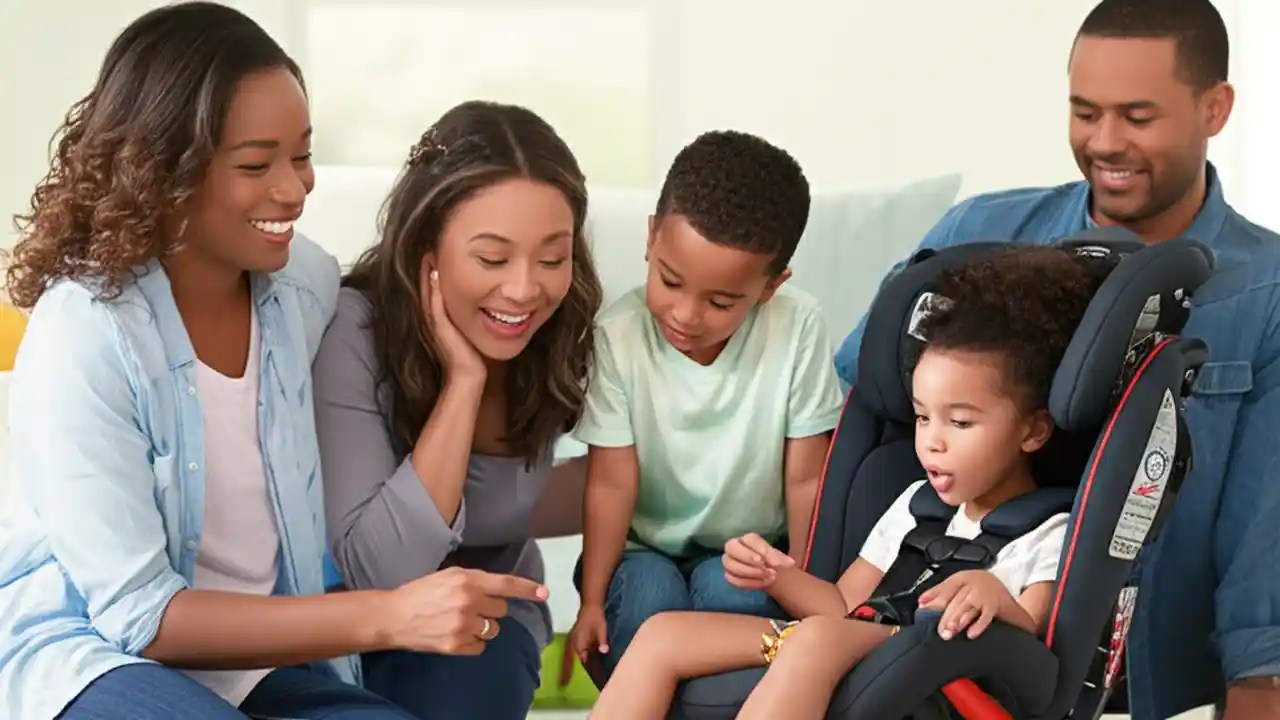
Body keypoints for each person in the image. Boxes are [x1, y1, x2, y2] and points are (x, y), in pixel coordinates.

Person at [0, 6, 546, 720]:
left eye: (303, 154)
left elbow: (401, 305)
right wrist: (386, 615)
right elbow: (142, 618)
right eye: (257, 164)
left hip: (254, 670)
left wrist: (488, 307)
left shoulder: (302, 290)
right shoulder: (87, 330)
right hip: (92, 658)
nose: (294, 189)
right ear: (162, 170)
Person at [833, 2, 1280, 718]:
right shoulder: (978, 234)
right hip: (945, 651)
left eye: (1137, 117)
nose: (1105, 142)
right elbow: (866, 401)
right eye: (1084, 112)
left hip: (1156, 669)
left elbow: (1265, 523)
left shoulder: (1267, 289)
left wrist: (1258, 683)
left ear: (1215, 109)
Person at [589, 246, 1104, 720]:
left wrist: (994, 594)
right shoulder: (915, 506)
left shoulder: (1051, 531)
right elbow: (840, 605)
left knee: (817, 641)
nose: (932, 442)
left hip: (937, 668)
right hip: (852, 637)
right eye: (923, 418)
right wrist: (777, 575)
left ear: (1032, 430)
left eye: (961, 422)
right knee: (663, 634)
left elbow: (1036, 642)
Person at [311, 99, 603, 719]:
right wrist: (464, 383)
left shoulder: (554, 333)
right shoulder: (354, 332)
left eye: (552, 258)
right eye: (492, 259)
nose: (526, 289)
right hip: (349, 623)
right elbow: (382, 573)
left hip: (488, 625)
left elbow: (536, 495)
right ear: (427, 250)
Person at [565, 130, 845, 679]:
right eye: (669, 281)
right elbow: (610, 483)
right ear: (650, 238)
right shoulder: (617, 336)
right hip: (646, 549)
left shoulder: (797, 325)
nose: (686, 315)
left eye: (720, 302)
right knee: (647, 601)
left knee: (733, 594)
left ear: (770, 287)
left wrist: (808, 583)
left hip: (749, 549)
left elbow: (807, 478)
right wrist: (591, 602)